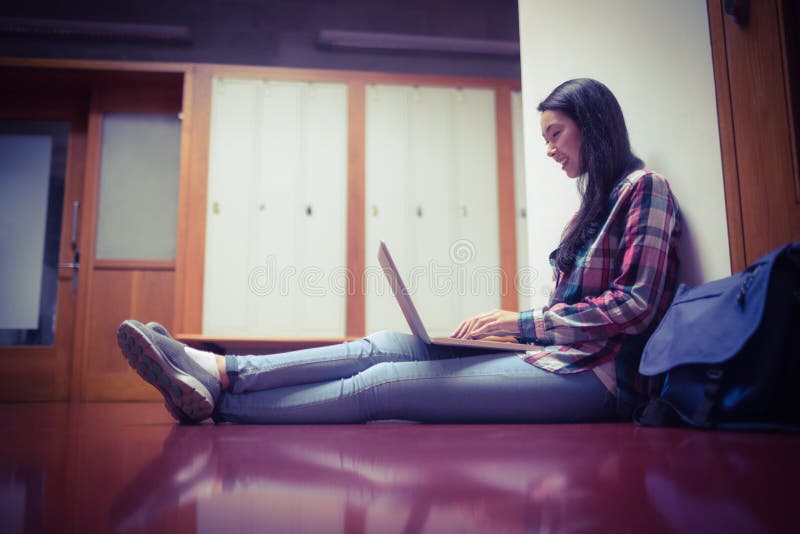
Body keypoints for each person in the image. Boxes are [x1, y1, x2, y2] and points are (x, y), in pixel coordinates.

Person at [117, 78, 681, 425]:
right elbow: (577, 312)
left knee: (384, 384)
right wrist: (512, 333)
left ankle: (221, 404)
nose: (550, 149)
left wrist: (521, 322)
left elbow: (635, 305)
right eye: (546, 139)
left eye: (555, 134)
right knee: (387, 345)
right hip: (550, 356)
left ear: (592, 126)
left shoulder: (645, 189)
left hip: (598, 381)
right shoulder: (590, 208)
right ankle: (218, 368)